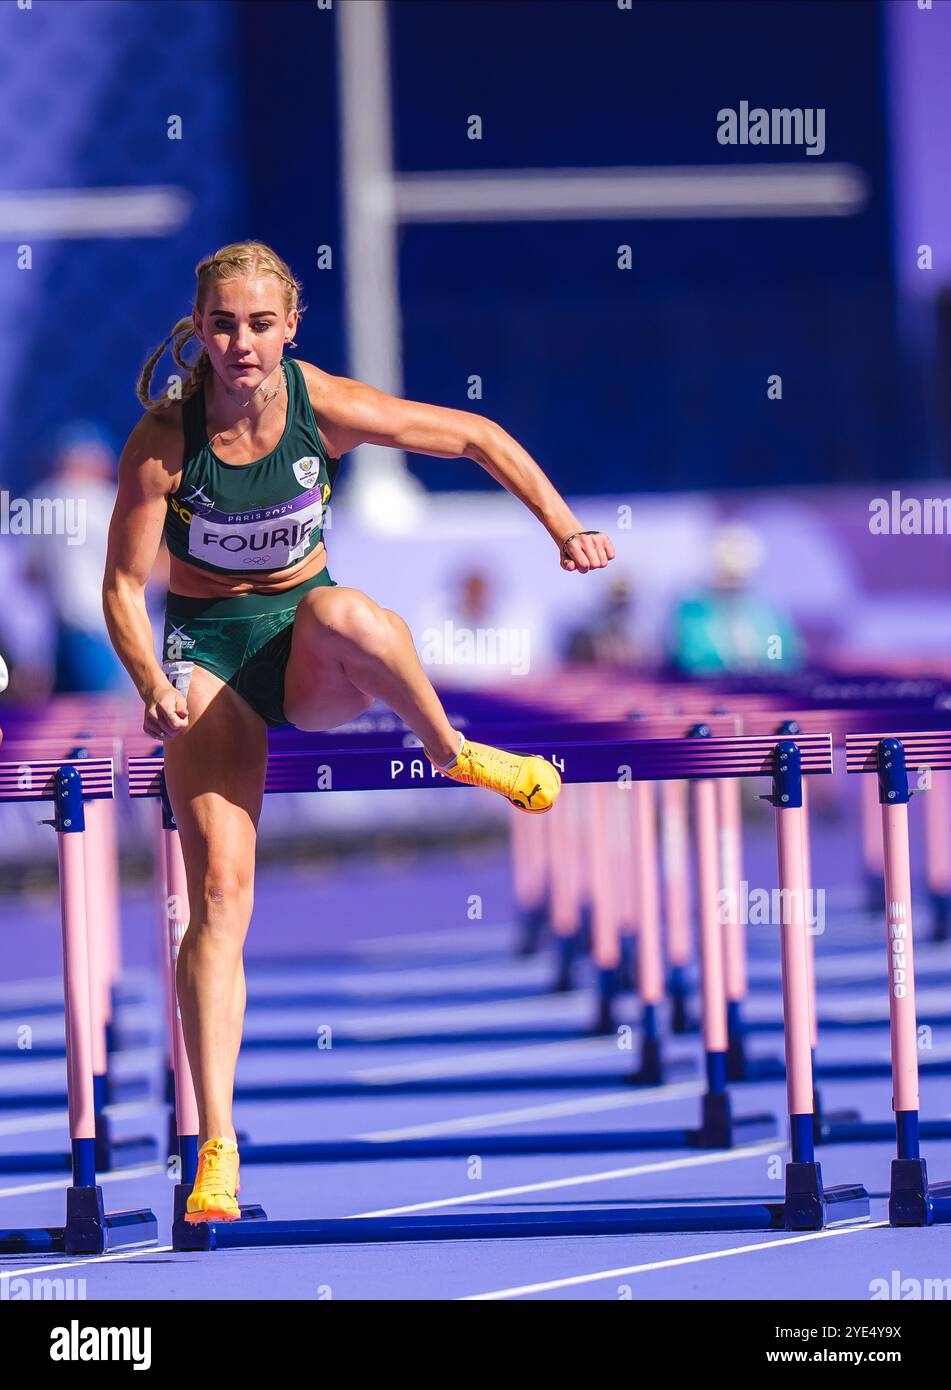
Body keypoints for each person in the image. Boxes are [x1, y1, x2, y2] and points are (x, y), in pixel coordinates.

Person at [101, 240, 615, 1223]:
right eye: (223, 325)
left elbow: (474, 436)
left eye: (260, 324)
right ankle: (216, 1148)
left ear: (290, 327)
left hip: (306, 647)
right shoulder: (163, 443)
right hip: (208, 657)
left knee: (352, 614)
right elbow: (124, 587)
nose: (241, 343)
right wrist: (149, 682)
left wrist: (564, 527)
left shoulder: (322, 406)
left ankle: (451, 751)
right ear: (198, 330)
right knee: (218, 897)